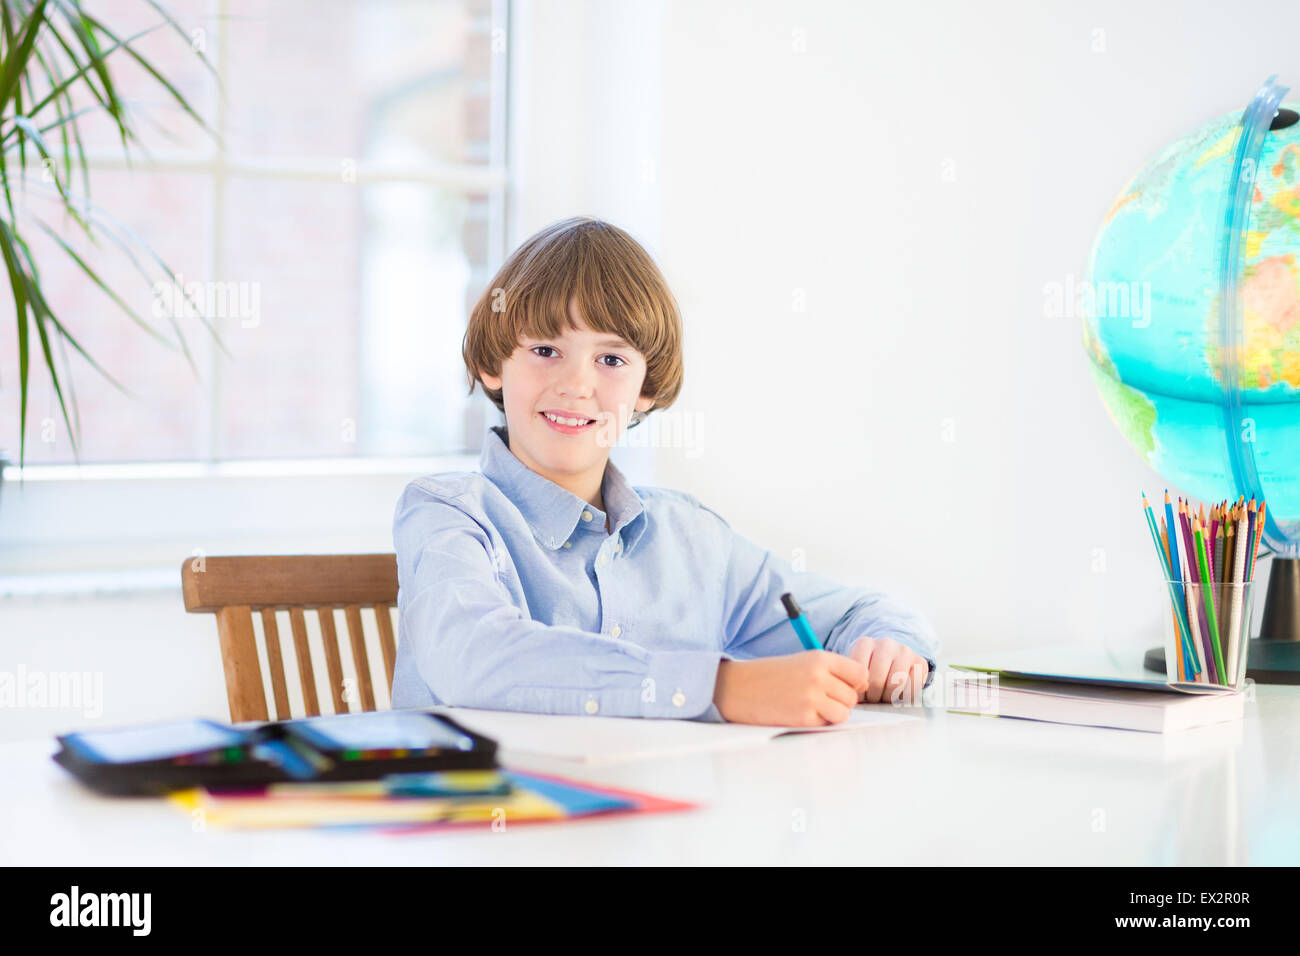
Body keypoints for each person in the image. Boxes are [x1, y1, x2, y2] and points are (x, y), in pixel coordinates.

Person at [390, 217, 938, 725]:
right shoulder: (447, 514)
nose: (577, 385)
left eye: (611, 360)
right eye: (544, 349)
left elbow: (861, 612)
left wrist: (890, 647)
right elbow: (474, 655)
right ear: (492, 364)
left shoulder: (692, 539)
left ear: (646, 390)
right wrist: (715, 689)